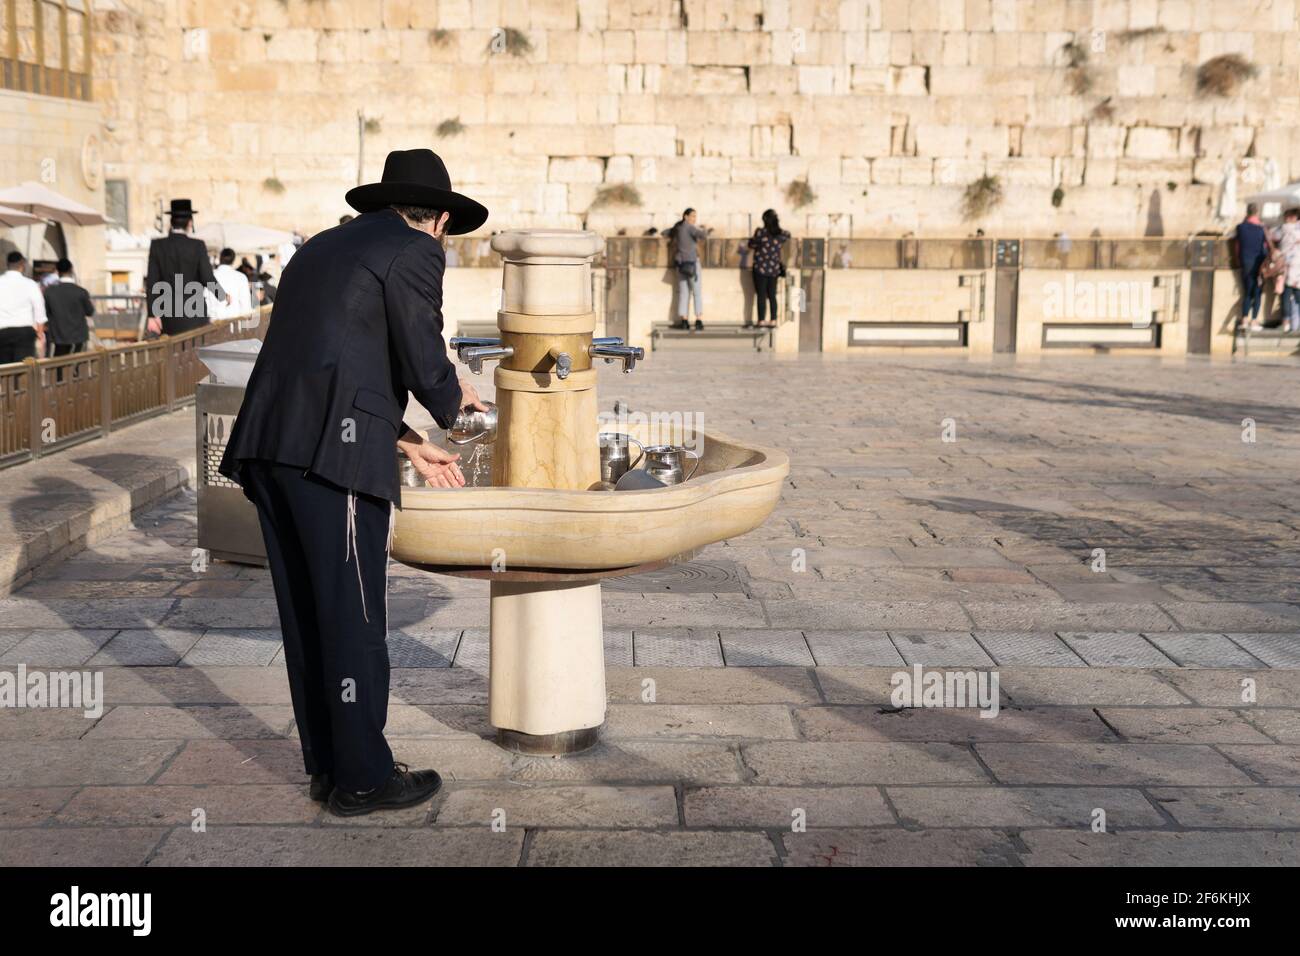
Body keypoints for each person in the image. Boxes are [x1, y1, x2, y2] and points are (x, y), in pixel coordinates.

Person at [219, 148, 490, 817]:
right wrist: (464, 410)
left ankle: (330, 767)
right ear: (443, 221)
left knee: (310, 615)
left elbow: (334, 359)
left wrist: (406, 442)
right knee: (354, 617)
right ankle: (366, 779)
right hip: (329, 462)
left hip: (271, 449)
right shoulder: (417, 252)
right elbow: (423, 354)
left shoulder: (320, 248)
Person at [144, 199, 226, 335]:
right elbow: (207, 277)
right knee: (195, 354)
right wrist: (223, 296)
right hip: (195, 315)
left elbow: (152, 283)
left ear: (171, 222)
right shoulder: (197, 246)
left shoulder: (157, 246)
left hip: (169, 316)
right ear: (190, 223)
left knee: (174, 354)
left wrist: (152, 315)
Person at [747, 209, 791, 329]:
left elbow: (751, 244)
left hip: (760, 268)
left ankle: (761, 320)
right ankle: (773, 320)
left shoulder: (761, 232)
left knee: (761, 294)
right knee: (772, 295)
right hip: (774, 269)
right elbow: (788, 236)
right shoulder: (780, 234)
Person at [0, 251, 46, 363]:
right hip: (24, 332)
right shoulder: (31, 284)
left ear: (7, 265)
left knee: (4, 368)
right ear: (22, 265)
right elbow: (39, 309)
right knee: (23, 368)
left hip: (2, 331)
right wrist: (40, 332)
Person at [42, 258, 95, 356]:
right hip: (79, 336)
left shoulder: (49, 292)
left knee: (59, 365)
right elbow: (90, 311)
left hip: (57, 336)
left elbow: (45, 313)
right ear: (71, 270)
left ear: (58, 272)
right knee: (78, 365)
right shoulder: (81, 292)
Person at [668, 207, 708, 330]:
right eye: (692, 216)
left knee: (683, 293)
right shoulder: (690, 228)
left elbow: (665, 233)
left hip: (680, 264)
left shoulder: (678, 228)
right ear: (685, 216)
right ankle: (698, 320)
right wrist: (704, 228)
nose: (694, 219)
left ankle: (684, 320)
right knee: (696, 293)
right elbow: (703, 235)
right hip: (692, 264)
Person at [1236, 203, 1269, 332]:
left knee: (1247, 292)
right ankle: (1254, 320)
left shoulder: (1240, 227)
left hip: (1245, 262)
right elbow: (1265, 246)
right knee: (1258, 291)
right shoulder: (1262, 228)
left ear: (1247, 212)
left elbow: (1237, 246)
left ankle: (1244, 319)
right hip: (1259, 262)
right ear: (1257, 213)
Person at [1275, 207, 1300, 333]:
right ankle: (1296, 323)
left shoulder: (1284, 228)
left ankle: (1286, 322)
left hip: (1288, 266)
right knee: (1297, 294)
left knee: (1286, 294)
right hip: (1298, 266)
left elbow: (1273, 236)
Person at [212, 247, 253, 319]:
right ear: (233, 261)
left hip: (213, 322)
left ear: (220, 258)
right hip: (234, 322)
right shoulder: (241, 277)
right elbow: (246, 304)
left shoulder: (210, 275)